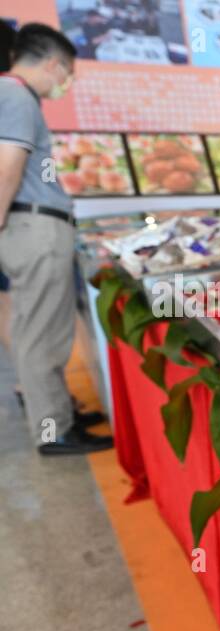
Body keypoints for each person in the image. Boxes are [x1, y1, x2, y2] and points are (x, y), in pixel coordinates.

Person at [0, 24, 112, 455]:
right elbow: (7, 169)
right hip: (35, 229)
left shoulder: (11, 95)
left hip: (31, 227)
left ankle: (57, 415)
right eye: (66, 74)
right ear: (52, 63)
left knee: (38, 330)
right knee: (42, 337)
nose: (64, 83)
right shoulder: (14, 96)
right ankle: (54, 431)